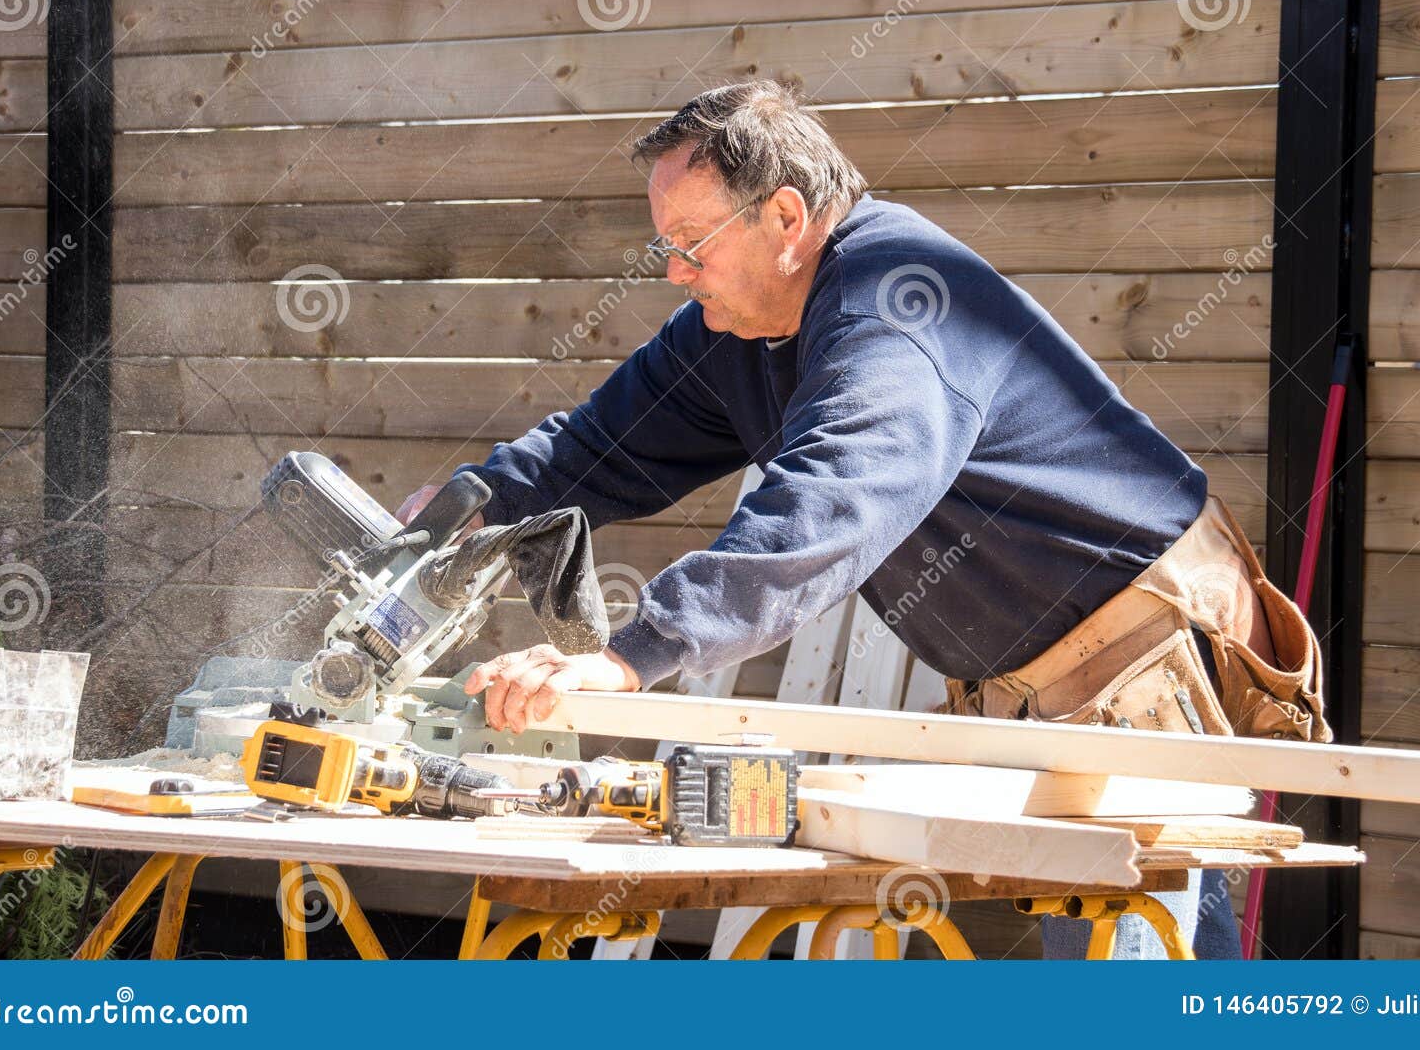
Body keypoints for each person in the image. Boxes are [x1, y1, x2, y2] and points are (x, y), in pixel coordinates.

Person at [397, 81, 1330, 959]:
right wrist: (463, 513)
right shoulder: (740, 328)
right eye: (665, 247)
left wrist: (633, 652)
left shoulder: (898, 302)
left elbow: (833, 496)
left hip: (1141, 650)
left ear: (787, 218)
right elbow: (601, 444)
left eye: (693, 241)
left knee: (1138, 970)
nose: (678, 271)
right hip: (1040, 670)